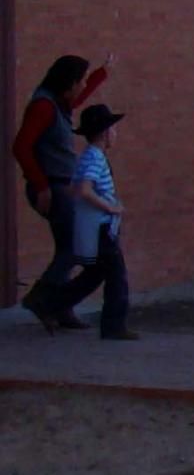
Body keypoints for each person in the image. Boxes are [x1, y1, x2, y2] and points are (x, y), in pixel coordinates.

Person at [11, 53, 112, 332]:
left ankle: (61, 308)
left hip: (62, 185)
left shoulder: (58, 103)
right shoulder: (43, 106)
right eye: (79, 82)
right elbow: (21, 147)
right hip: (52, 186)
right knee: (74, 246)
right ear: (67, 83)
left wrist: (100, 75)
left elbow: (77, 99)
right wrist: (41, 186)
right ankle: (42, 299)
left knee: (67, 245)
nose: (81, 89)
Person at [60, 104, 139, 340]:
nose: (116, 134)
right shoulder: (95, 158)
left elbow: (75, 189)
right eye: (114, 129)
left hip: (95, 226)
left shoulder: (88, 157)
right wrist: (111, 207)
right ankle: (114, 325)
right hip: (100, 227)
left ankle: (51, 303)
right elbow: (84, 190)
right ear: (105, 132)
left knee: (94, 274)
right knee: (117, 277)